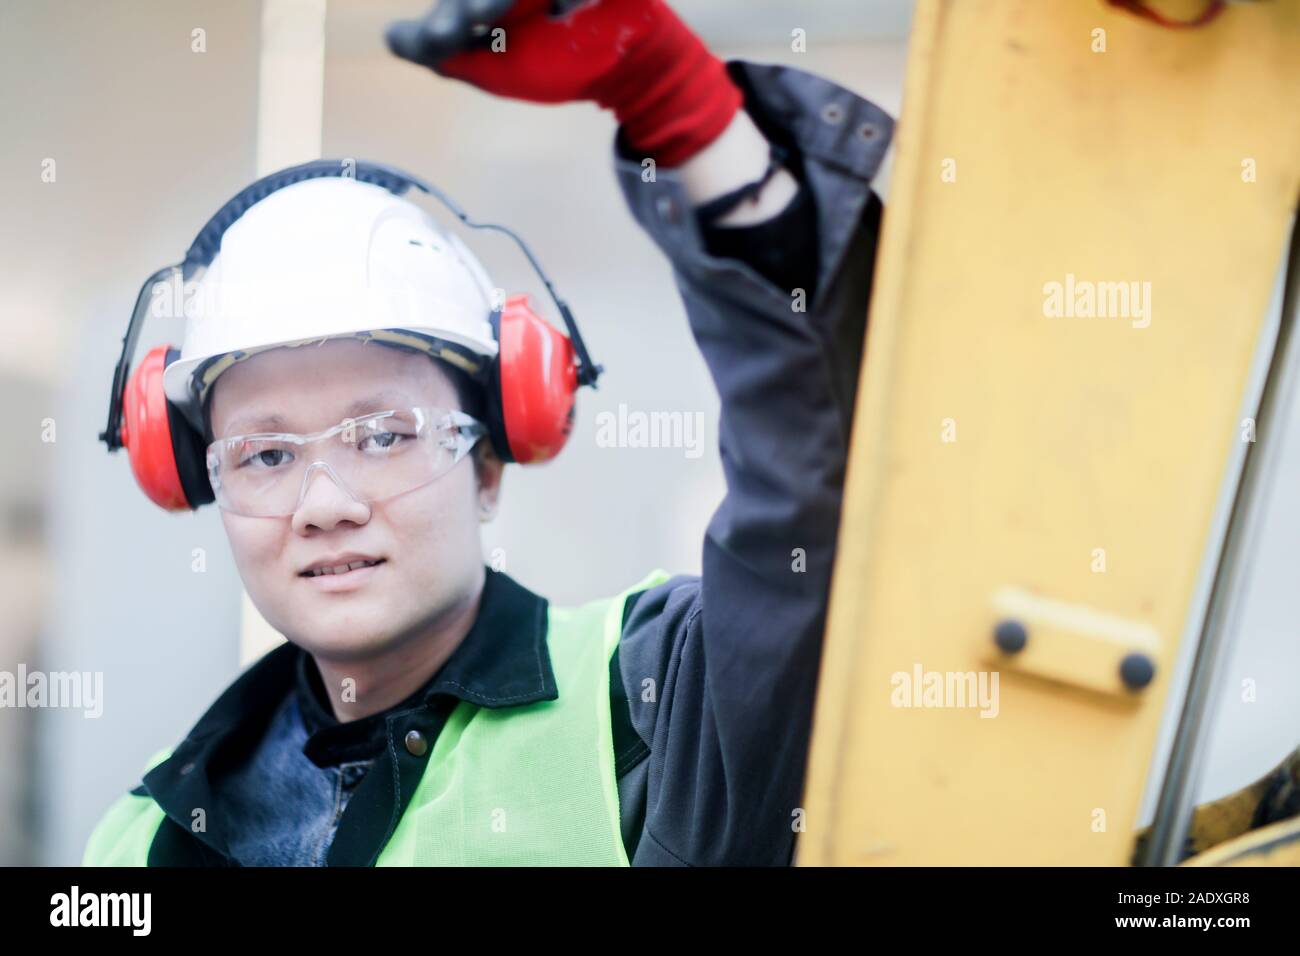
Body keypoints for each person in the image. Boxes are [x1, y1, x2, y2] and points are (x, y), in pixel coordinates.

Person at [83, 0, 892, 866]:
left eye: (384, 436)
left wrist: (686, 116)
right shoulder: (148, 836)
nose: (324, 505)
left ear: (493, 458)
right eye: (268, 455)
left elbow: (816, 490)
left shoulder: (656, 700)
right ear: (197, 480)